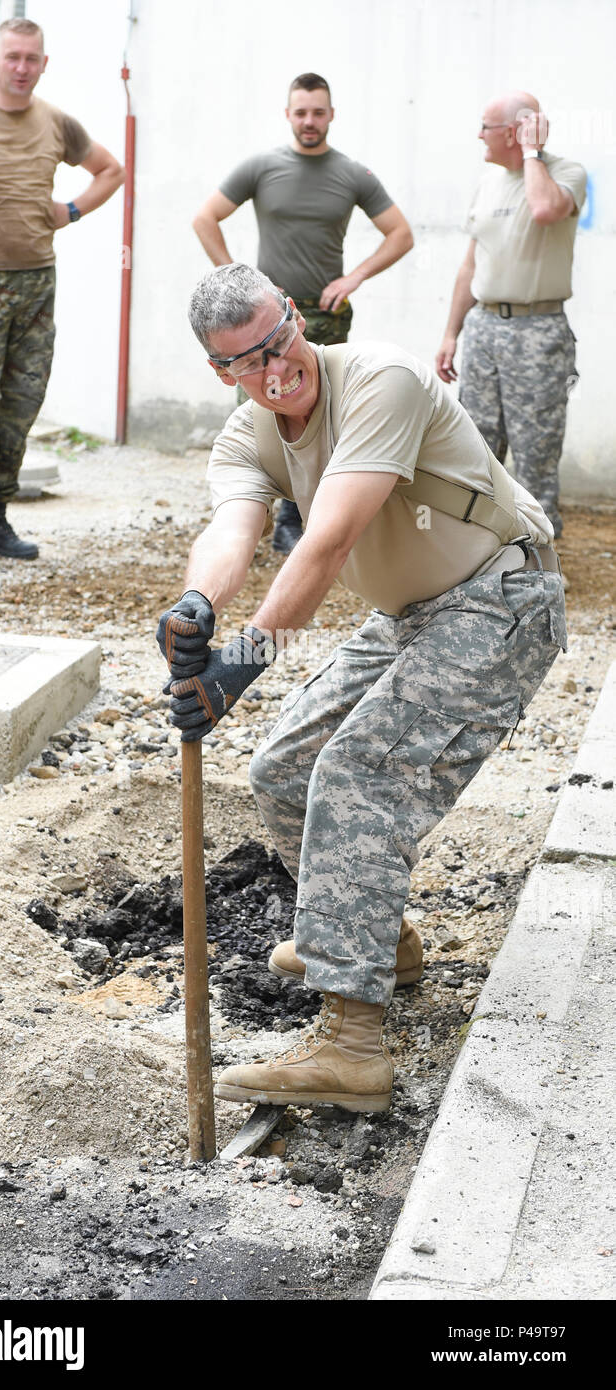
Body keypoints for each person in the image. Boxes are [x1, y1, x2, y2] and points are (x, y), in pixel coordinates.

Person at [156, 263, 566, 1114]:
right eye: (247, 361)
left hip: (499, 598)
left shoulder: (380, 377)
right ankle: (378, 940)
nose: (275, 368)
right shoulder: (249, 432)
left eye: (280, 340)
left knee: (359, 775)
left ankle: (350, 1048)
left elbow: (329, 539)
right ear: (220, 371)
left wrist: (245, 660)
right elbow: (232, 528)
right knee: (285, 768)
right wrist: (199, 605)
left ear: (297, 319)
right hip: (412, 614)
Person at [0, 17, 125, 575]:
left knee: (20, 404)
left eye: (31, 59)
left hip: (37, 282)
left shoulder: (57, 122)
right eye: (12, 57)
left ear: (43, 64)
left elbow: (109, 170)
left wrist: (69, 211)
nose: (21, 68)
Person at [192, 72, 413, 553]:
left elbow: (400, 233)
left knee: (319, 414)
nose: (309, 121)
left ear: (331, 115)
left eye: (318, 112)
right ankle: (250, 518)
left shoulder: (352, 174)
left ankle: (303, 516)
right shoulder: (260, 167)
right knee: (261, 409)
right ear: (288, 114)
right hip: (264, 325)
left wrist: (353, 277)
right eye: (301, 112)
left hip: (324, 318)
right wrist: (240, 282)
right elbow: (204, 218)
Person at [436, 91, 586, 539]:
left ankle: (540, 561)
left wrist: (533, 152)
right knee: (475, 451)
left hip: (537, 332)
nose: (479, 135)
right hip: (483, 328)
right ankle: (480, 552)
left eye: (487, 126)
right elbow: (471, 263)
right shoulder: (488, 182)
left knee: (535, 455)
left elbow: (544, 210)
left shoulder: (565, 173)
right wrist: (451, 334)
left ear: (514, 131)